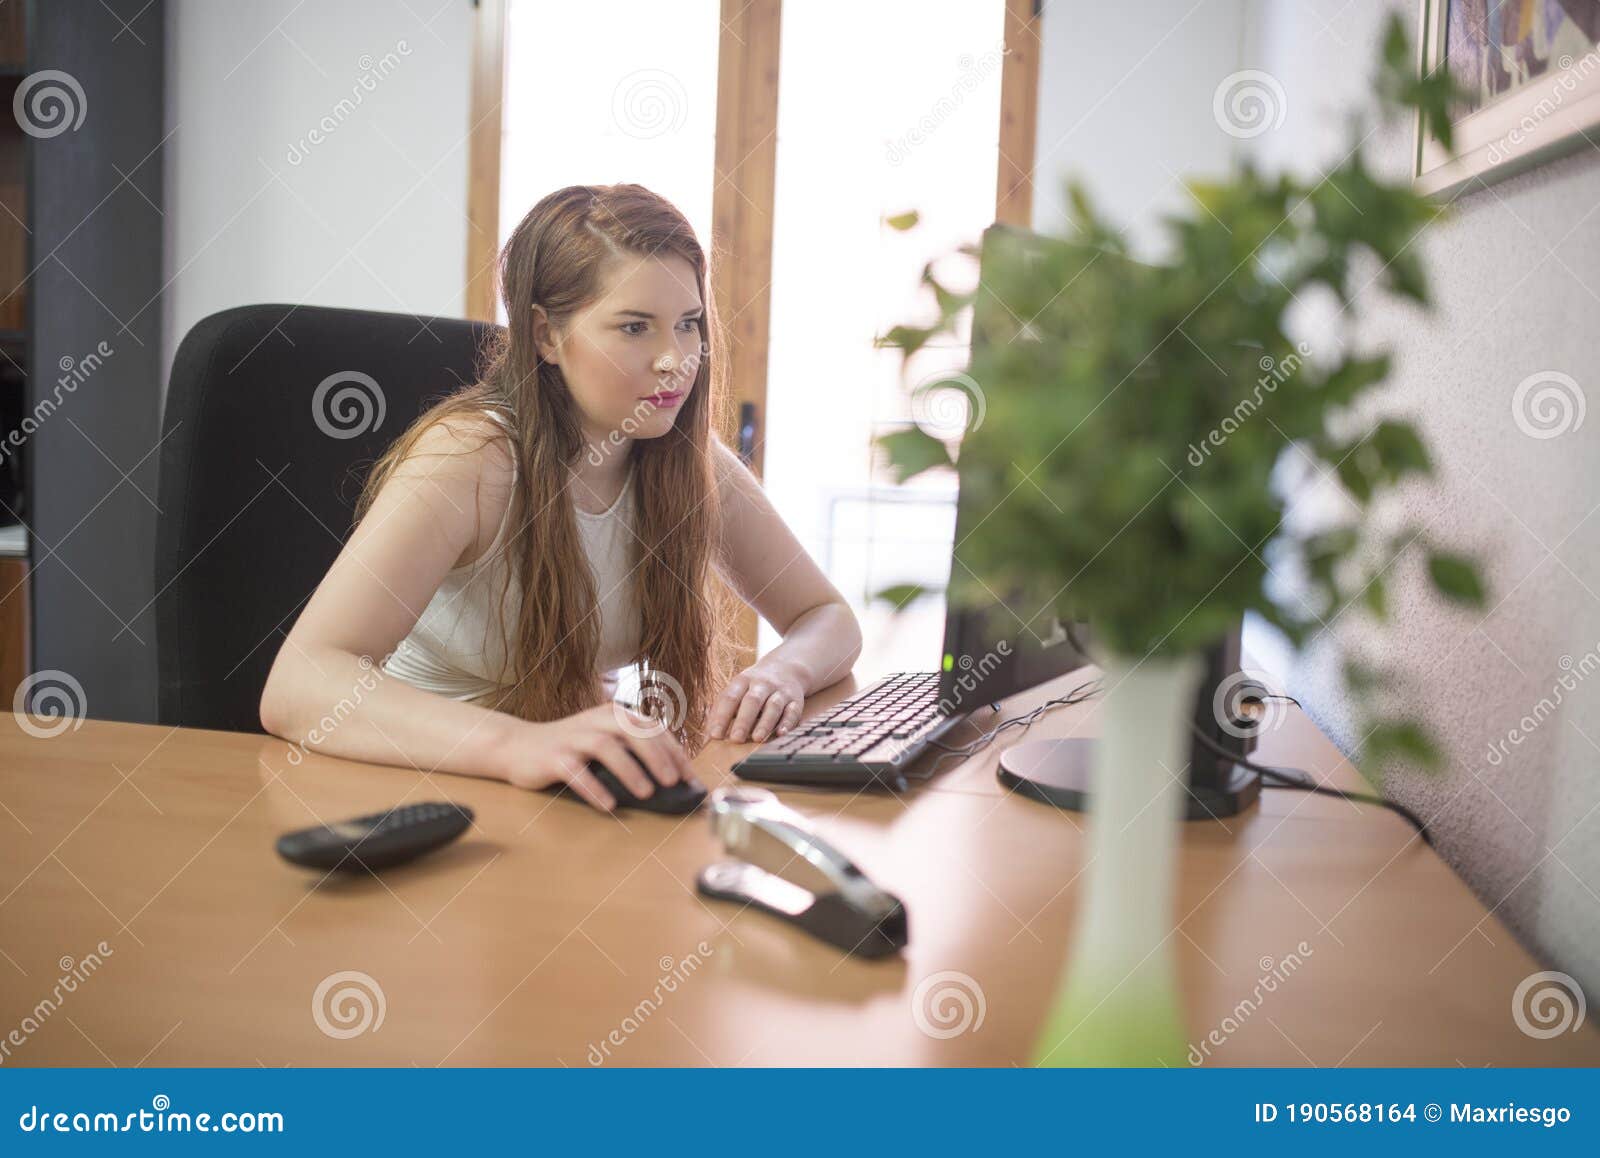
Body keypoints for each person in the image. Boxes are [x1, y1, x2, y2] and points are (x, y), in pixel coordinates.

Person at [259, 184, 862, 811]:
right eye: (635, 327)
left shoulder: (688, 459)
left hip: (557, 794)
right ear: (546, 335)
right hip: (414, 791)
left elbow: (828, 616)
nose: (675, 361)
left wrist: (783, 670)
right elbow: (300, 683)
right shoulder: (469, 459)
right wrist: (518, 746)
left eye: (688, 326)